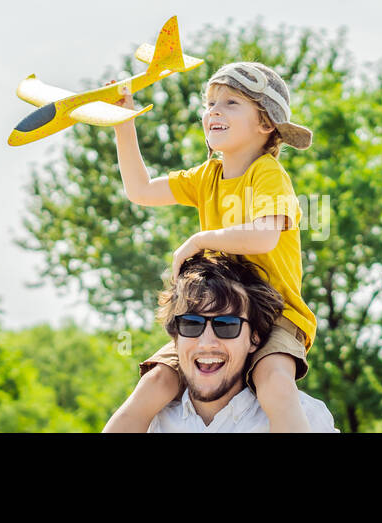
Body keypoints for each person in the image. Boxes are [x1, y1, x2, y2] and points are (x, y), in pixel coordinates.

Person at [102, 62, 319, 432]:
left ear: (265, 123)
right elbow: (140, 190)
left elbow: (265, 235)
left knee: (273, 383)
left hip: (278, 315)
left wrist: (201, 240)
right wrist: (124, 124)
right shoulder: (207, 176)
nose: (214, 111)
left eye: (231, 102)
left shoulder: (266, 174)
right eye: (210, 103)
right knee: (154, 384)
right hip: (219, 313)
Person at [143, 253, 336, 433]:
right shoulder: (152, 421)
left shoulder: (305, 417)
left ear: (254, 338)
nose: (207, 343)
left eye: (227, 325)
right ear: (176, 337)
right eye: (192, 324)